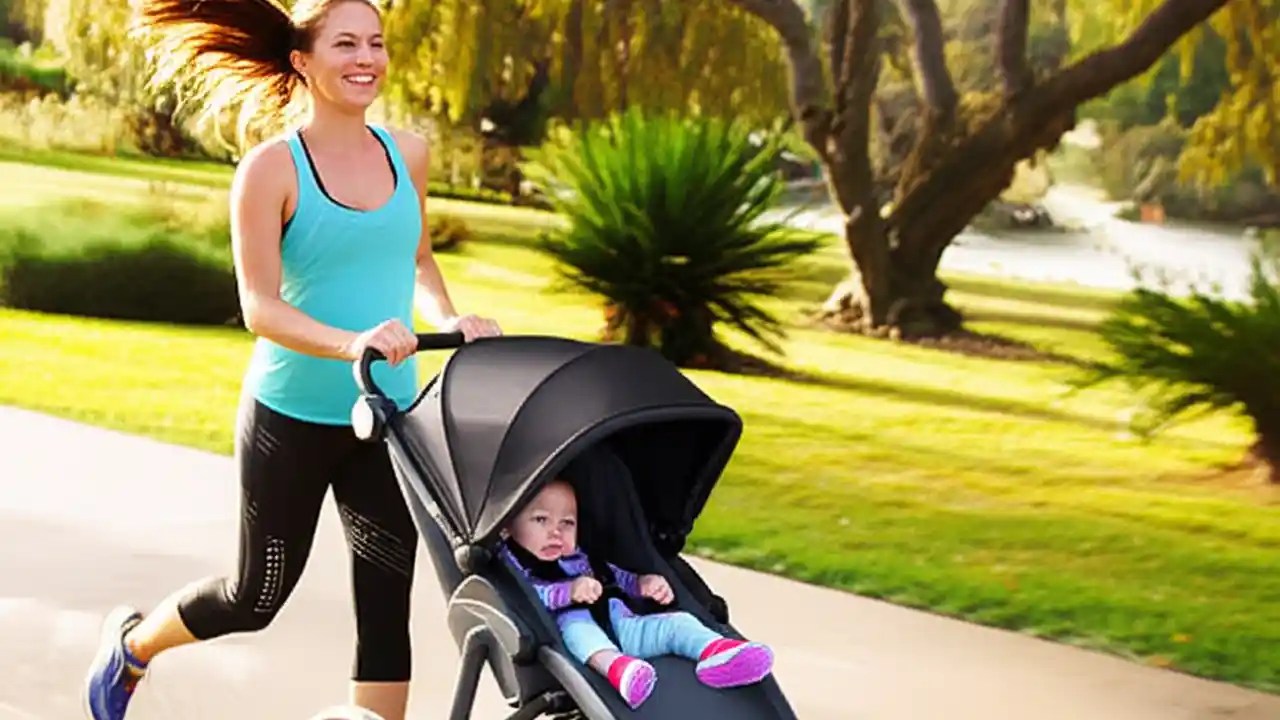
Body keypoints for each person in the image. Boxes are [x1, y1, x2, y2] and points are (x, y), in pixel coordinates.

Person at [82, 1, 502, 719]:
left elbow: (418, 258)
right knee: (257, 596)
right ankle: (132, 647)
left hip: (386, 418)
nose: (366, 57)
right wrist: (353, 343)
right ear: (303, 60)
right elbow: (260, 308)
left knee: (385, 600)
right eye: (345, 43)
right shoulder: (270, 169)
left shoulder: (411, 153)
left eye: (375, 42)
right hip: (293, 416)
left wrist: (448, 316)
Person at [498, 479, 775, 710]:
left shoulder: (583, 559)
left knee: (677, 623)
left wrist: (643, 583)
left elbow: (617, 577)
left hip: (626, 625)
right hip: (572, 641)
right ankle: (619, 670)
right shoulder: (516, 568)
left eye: (567, 523)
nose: (555, 531)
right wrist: (569, 591)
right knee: (579, 631)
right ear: (507, 527)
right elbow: (531, 596)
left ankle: (718, 652)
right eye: (541, 519)